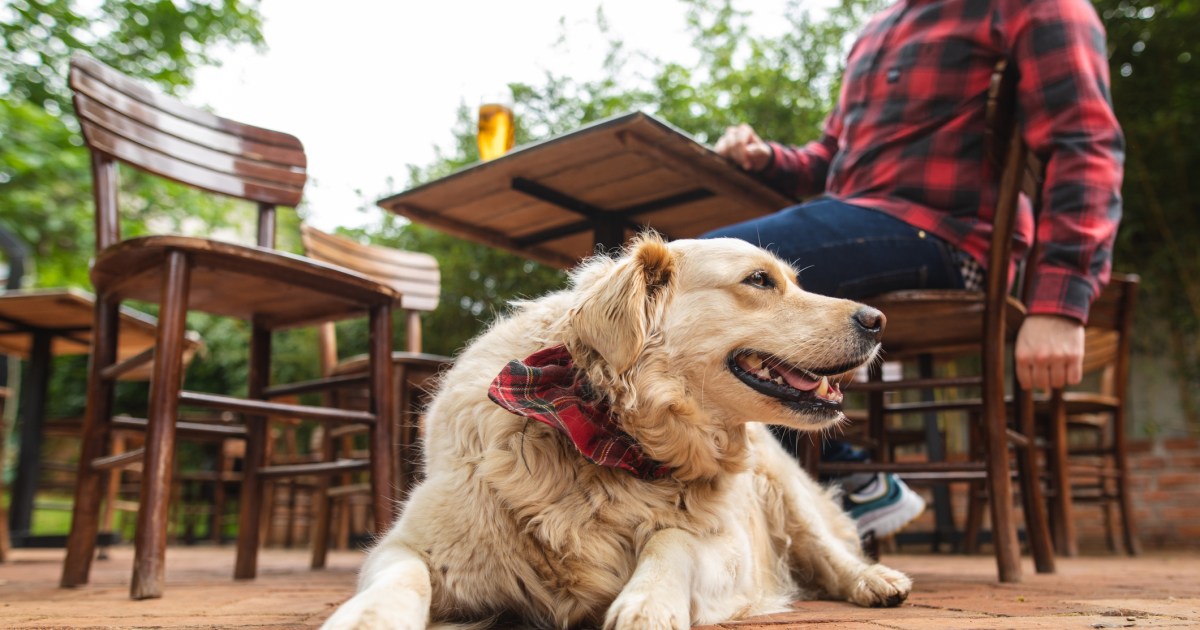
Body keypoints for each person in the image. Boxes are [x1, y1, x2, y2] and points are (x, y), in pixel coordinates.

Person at [706, 0, 1124, 539]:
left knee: (721, 272)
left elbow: (1085, 145)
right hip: (859, 217)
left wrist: (1060, 304)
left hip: (948, 239)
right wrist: (767, 157)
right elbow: (833, 158)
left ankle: (836, 485)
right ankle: (845, 487)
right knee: (713, 280)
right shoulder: (877, 27)